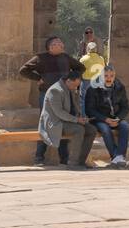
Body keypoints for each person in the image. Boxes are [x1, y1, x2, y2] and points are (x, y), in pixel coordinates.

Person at [19, 37, 85, 166]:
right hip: (47, 94)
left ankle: (64, 159)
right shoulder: (40, 58)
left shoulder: (66, 58)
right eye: (57, 43)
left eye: (61, 42)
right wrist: (38, 78)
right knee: (46, 123)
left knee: (65, 123)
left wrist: (71, 78)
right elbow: (24, 70)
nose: (61, 44)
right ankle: (39, 158)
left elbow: (81, 68)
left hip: (65, 95)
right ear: (50, 47)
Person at [37, 70, 94, 168]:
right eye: (75, 85)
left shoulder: (70, 89)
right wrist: (77, 120)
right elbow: (59, 113)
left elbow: (74, 107)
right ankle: (73, 162)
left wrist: (80, 117)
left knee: (91, 130)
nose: (76, 88)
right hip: (55, 123)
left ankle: (81, 161)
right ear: (68, 81)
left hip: (68, 121)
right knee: (79, 129)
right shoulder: (55, 90)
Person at [84, 64, 129, 167]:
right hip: (98, 119)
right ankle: (115, 156)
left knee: (125, 126)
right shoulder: (92, 88)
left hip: (115, 118)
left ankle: (120, 156)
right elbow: (89, 110)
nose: (109, 78)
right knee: (105, 129)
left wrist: (118, 118)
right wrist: (105, 119)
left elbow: (125, 107)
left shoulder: (120, 87)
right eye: (106, 76)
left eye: (111, 76)